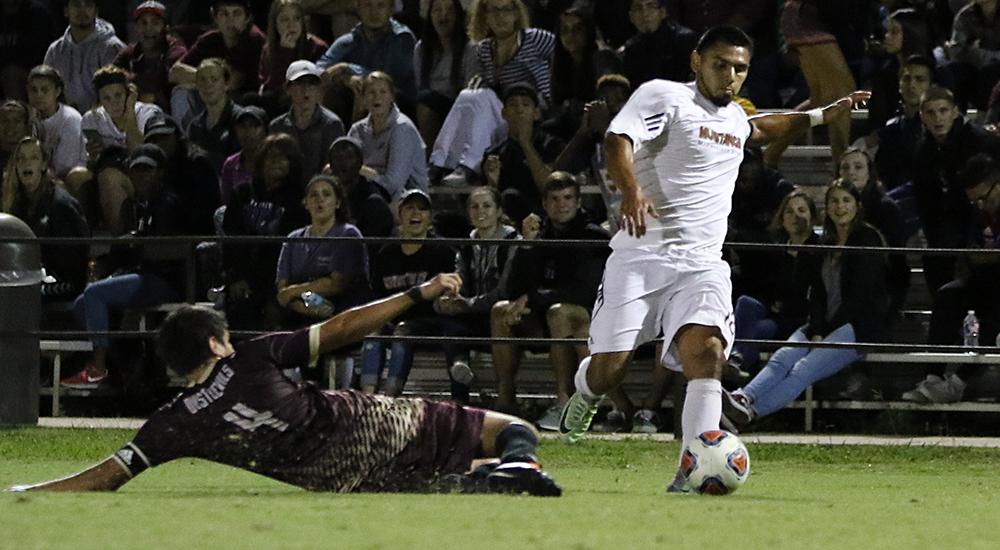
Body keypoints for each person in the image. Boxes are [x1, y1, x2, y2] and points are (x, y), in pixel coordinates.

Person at [556, 26, 869, 491]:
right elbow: (617, 140)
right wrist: (632, 191)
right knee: (611, 367)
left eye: (740, 68)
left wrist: (826, 113)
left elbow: (765, 127)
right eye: (720, 64)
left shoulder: (735, 120)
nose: (730, 75)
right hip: (641, 257)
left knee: (707, 353)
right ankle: (585, 391)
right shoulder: (663, 96)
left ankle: (691, 466)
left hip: (702, 263)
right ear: (696, 61)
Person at [10, 280, 562, 496]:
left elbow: (109, 475)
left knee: (443, 482)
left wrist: (30, 492)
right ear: (215, 345)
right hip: (369, 423)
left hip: (335, 478)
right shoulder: (251, 357)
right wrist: (418, 293)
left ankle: (483, 482)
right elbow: (342, 328)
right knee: (515, 428)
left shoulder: (174, 422)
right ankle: (518, 466)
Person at [724, 179, 889, 428]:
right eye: (834, 200)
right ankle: (742, 398)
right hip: (825, 323)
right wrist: (818, 329)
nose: (840, 206)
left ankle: (749, 414)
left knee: (803, 369)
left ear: (857, 205)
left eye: (846, 200)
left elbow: (859, 296)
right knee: (783, 358)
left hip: (857, 326)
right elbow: (818, 293)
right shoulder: (825, 243)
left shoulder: (867, 238)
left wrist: (827, 332)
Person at [65, 144, 198, 389]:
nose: (141, 176)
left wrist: (134, 244)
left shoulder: (167, 202)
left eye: (148, 170)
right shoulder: (140, 203)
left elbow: (166, 250)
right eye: (137, 170)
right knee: (83, 302)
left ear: (160, 173)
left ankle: (99, 368)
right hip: (143, 275)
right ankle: (126, 358)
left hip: (165, 280)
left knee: (95, 294)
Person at [491, 172, 610, 426]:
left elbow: (585, 292)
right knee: (500, 311)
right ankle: (506, 400)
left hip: (585, 319)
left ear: (578, 202)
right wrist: (526, 247)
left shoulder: (593, 236)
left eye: (568, 198)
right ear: (544, 204)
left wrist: (532, 299)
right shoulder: (539, 234)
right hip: (542, 316)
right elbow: (513, 289)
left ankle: (563, 401)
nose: (561, 204)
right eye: (554, 199)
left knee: (560, 312)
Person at [902, 154, 1000, 404]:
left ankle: (958, 382)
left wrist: (986, 256)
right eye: (973, 201)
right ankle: (933, 376)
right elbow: (971, 246)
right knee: (947, 294)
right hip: (986, 277)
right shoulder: (979, 213)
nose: (978, 205)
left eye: (981, 198)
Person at [427, 0, 555, 185]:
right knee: (468, 95)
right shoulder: (485, 49)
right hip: (503, 115)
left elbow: (566, 53)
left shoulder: (535, 39)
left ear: (516, 13)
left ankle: (467, 166)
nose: (500, 16)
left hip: (532, 115)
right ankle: (438, 164)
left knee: (482, 96)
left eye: (506, 10)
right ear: (484, 16)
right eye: (493, 11)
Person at [361, 189, 458, 397]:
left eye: (422, 209)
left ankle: (390, 400)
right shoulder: (386, 254)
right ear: (400, 214)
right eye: (410, 208)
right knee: (373, 330)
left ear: (430, 218)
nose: (416, 213)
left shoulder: (442, 251)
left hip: (431, 323)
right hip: (395, 320)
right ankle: (367, 399)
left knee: (403, 331)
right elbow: (377, 298)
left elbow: (453, 295)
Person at [912, 84, 1000, 296]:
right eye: (931, 112)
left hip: (984, 222)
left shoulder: (981, 142)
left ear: (954, 112)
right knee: (936, 256)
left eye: (943, 111)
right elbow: (925, 199)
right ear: (922, 116)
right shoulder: (922, 150)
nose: (938, 118)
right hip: (950, 224)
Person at [435, 186, 519, 404]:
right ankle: (459, 397)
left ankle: (461, 393)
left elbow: (505, 290)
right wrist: (449, 299)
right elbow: (459, 279)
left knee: (464, 320)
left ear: (499, 211)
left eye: (487, 205)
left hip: (501, 316)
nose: (480, 211)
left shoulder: (512, 243)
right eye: (474, 206)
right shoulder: (467, 245)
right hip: (474, 313)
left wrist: (467, 304)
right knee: (449, 319)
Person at [221, 133, 310, 330]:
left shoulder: (302, 199)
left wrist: (281, 291)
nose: (275, 161)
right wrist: (235, 277)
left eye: (282, 157)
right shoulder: (242, 193)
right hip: (245, 278)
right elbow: (231, 238)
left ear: (292, 163)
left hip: (285, 282)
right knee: (237, 318)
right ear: (261, 161)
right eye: (270, 156)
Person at [730, 189, 820, 373]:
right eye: (789, 212)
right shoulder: (777, 251)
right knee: (746, 302)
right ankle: (737, 360)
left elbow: (812, 293)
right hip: (776, 313)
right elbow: (766, 287)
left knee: (755, 330)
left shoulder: (820, 249)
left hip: (802, 318)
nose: (796, 217)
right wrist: (772, 302)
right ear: (782, 218)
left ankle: (739, 367)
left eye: (802, 211)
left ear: (812, 216)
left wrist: (782, 304)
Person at [761, 0, 857, 169]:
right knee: (842, 94)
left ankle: (770, 155)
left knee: (821, 98)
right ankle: (841, 169)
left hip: (811, 15)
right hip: (809, 15)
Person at [1, 136, 90, 301]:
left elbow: (74, 259)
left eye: (33, 158)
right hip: (27, 277)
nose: (26, 164)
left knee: (16, 295)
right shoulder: (15, 202)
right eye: (21, 159)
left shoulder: (60, 204)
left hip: (63, 281)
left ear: (43, 165)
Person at [276, 175, 369, 328]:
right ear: (305, 202)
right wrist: (304, 308)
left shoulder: (348, 234)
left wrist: (293, 291)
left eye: (326, 194)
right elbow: (282, 292)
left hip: (339, 316)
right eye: (314, 195)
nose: (320, 199)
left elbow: (336, 284)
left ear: (337, 202)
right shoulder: (293, 239)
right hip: (299, 315)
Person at [78, 65, 163, 233]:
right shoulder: (92, 119)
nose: (114, 103)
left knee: (110, 177)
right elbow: (89, 164)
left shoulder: (147, 113)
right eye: (106, 98)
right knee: (77, 176)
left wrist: (130, 111)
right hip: (107, 170)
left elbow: (140, 151)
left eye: (118, 95)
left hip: (143, 174)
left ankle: (121, 244)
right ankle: (82, 239)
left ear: (128, 93)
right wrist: (94, 156)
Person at [316, 0, 418, 121]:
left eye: (380, 5)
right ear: (358, 7)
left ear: (390, 9)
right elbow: (318, 70)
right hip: (354, 102)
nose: (374, 12)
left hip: (397, 103)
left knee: (369, 90)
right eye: (367, 5)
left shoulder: (402, 38)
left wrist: (346, 68)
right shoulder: (350, 39)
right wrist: (344, 78)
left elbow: (388, 80)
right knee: (327, 87)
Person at [483, 83, 565, 227]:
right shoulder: (495, 154)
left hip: (546, 218)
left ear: (536, 113)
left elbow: (550, 187)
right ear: (504, 113)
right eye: (513, 105)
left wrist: (526, 143)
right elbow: (489, 201)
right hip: (508, 222)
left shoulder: (552, 145)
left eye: (526, 105)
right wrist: (492, 183)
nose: (520, 110)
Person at [169, 0, 266, 118]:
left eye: (237, 13)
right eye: (224, 14)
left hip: (244, 102)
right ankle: (189, 134)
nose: (230, 20)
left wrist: (201, 80)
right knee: (181, 93)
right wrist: (208, 79)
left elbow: (234, 82)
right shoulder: (210, 39)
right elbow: (175, 72)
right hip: (214, 94)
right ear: (215, 17)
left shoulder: (253, 39)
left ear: (247, 18)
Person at [347, 71, 429, 199]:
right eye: (371, 92)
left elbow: (394, 184)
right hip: (368, 192)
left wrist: (361, 170)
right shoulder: (357, 130)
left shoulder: (402, 128)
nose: (377, 97)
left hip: (406, 197)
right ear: (363, 98)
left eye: (382, 92)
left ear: (391, 96)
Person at [545, 7, 622, 140]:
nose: (571, 35)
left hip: (603, 126)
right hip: (574, 123)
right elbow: (557, 102)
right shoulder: (561, 62)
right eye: (565, 30)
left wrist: (573, 106)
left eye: (577, 29)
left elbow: (607, 103)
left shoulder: (602, 58)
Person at [413, 0, 479, 148]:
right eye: (437, 10)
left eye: (449, 10)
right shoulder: (422, 49)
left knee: (426, 101)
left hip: (458, 104)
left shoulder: (470, 48)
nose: (443, 15)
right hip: (428, 102)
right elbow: (420, 86)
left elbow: (470, 90)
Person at [268, 60, 345, 185]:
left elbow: (334, 168)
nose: (306, 90)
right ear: (288, 89)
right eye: (300, 84)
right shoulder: (277, 126)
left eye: (312, 84)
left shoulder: (332, 124)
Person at [43, 0, 126, 113]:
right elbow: (45, 89)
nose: (82, 10)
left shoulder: (111, 47)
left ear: (96, 11)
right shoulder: (55, 50)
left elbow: (121, 92)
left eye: (88, 4)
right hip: (65, 121)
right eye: (76, 4)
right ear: (66, 11)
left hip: (103, 121)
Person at [112, 1, 188, 112]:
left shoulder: (175, 48)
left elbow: (164, 75)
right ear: (136, 27)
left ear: (165, 27)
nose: (148, 28)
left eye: (155, 23)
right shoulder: (130, 52)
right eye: (143, 23)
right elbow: (110, 75)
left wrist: (130, 80)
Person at [874, 55, 935, 192]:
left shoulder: (940, 126)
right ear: (899, 85)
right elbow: (881, 172)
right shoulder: (891, 128)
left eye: (919, 80)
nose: (911, 85)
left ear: (931, 86)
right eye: (906, 79)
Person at [26, 65, 88, 179]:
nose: (38, 95)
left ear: (57, 91)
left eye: (45, 90)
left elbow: (64, 166)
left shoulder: (69, 118)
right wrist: (28, 126)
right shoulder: (27, 117)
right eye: (33, 90)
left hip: (66, 178)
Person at [620, 0, 698, 89]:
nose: (645, 13)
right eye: (638, 8)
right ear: (631, 17)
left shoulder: (684, 40)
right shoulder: (632, 48)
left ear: (663, 12)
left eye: (651, 6)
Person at [257, 0, 327, 96]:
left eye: (297, 18)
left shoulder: (317, 47)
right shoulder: (269, 49)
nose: (291, 24)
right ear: (275, 24)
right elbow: (269, 86)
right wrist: (284, 52)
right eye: (284, 19)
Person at [186, 58, 241, 174]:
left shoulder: (239, 119)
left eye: (214, 79)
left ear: (226, 84)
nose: (208, 85)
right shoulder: (194, 126)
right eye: (202, 80)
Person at [945, 0, 1000, 110]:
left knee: (990, 71)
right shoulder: (966, 15)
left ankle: (985, 116)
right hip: (974, 67)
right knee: (954, 70)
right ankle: (957, 115)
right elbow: (956, 51)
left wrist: (974, 51)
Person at [220, 105, 269, 204]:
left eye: (254, 126)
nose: (248, 131)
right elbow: (226, 203)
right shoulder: (230, 165)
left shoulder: (272, 163)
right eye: (242, 126)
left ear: (264, 130)